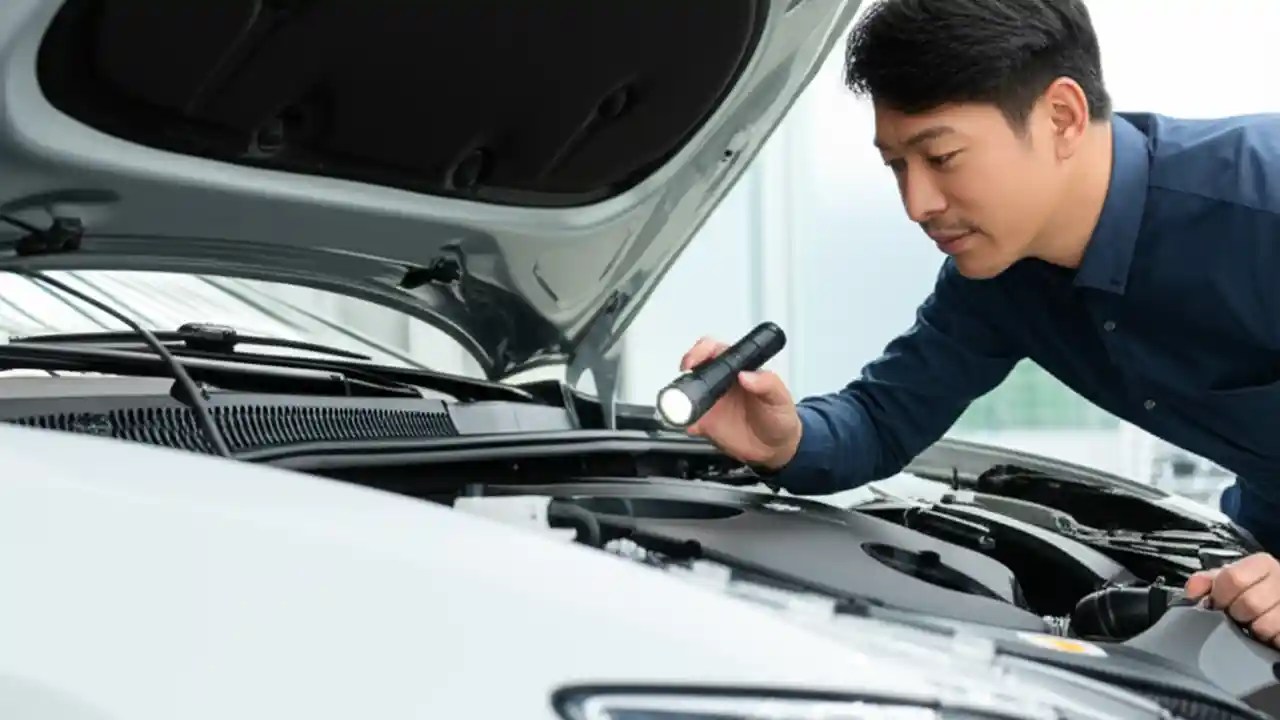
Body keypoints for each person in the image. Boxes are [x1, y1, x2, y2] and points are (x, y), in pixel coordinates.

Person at [679, 0, 1280, 646]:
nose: (917, 204)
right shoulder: (998, 281)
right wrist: (786, 439)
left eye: (941, 157)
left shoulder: (1261, 199)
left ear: (1061, 118)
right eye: (896, 166)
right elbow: (880, 421)